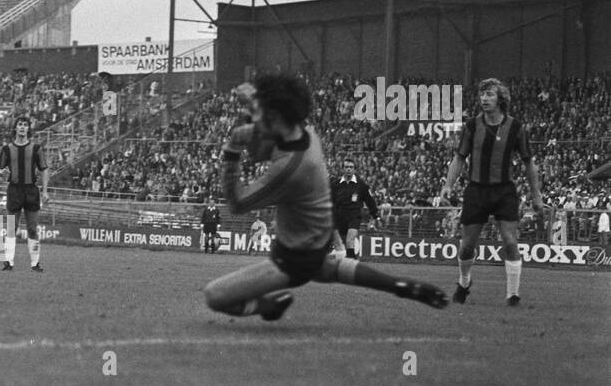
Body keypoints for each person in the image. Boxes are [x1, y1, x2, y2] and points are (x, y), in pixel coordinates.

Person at [203, 75, 447, 321]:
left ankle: (268, 306)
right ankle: (402, 286)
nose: (255, 122)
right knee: (336, 269)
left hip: (291, 261)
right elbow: (267, 133)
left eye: (260, 117)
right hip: (314, 248)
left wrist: (232, 149)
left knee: (214, 295)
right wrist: (255, 103)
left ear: (275, 119)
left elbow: (237, 203)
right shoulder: (306, 131)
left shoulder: (290, 168)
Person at [437, 78, 546, 306]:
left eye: (490, 94)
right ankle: (464, 282)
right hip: (476, 190)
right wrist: (448, 184)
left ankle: (512, 295)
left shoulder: (516, 128)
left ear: (500, 99)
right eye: (482, 94)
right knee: (467, 245)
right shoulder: (472, 126)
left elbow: (529, 162)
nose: (484, 99)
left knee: (510, 241)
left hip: (504, 191)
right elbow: (459, 158)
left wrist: (536, 195)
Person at [0, 115, 48, 272]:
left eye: (25, 125)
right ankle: (8, 263)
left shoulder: (37, 149)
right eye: (20, 124)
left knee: (32, 228)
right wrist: (1, 173)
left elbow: (44, 169)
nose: (23, 127)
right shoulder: (6, 149)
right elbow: (0, 169)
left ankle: (35, 264)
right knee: (12, 227)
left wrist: (45, 191)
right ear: (15, 128)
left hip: (31, 190)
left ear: (28, 128)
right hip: (14, 190)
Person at [329, 158, 379, 259]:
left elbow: (369, 200)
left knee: (350, 239)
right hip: (339, 216)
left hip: (354, 215)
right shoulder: (335, 184)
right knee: (340, 245)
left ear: (354, 169)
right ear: (342, 169)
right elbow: (329, 202)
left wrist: (375, 216)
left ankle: (351, 266)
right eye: (346, 167)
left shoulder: (361, 185)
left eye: (351, 167)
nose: (349, 169)